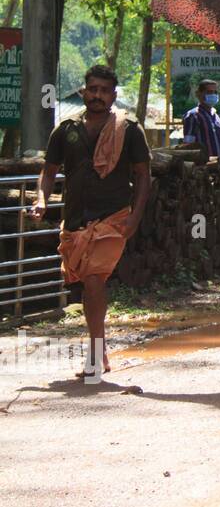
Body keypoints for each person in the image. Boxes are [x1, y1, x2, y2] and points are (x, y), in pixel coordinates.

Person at [27, 66, 151, 379]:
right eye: (92, 89)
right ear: (84, 91)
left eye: (104, 90)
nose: (97, 95)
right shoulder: (66, 128)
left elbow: (143, 175)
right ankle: (102, 350)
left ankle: (95, 356)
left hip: (113, 218)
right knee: (85, 283)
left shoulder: (129, 129)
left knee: (95, 280)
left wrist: (135, 216)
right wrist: (41, 199)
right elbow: (49, 169)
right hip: (76, 220)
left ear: (114, 95)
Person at [182, 79, 220, 166]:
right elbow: (188, 145)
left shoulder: (216, 117)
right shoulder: (193, 116)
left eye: (215, 92)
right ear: (199, 94)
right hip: (204, 168)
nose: (213, 95)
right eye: (209, 92)